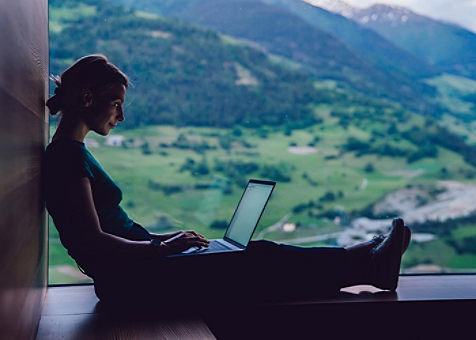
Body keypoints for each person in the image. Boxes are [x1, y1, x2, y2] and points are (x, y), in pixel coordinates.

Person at [44, 55, 411, 305]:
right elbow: (90, 242)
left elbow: (112, 230)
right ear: (88, 98)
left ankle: (365, 255)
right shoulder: (67, 157)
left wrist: (166, 240)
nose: (120, 115)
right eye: (115, 103)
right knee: (260, 261)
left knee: (256, 255)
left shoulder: (71, 153)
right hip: (135, 282)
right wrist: (161, 249)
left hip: (142, 268)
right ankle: (368, 264)